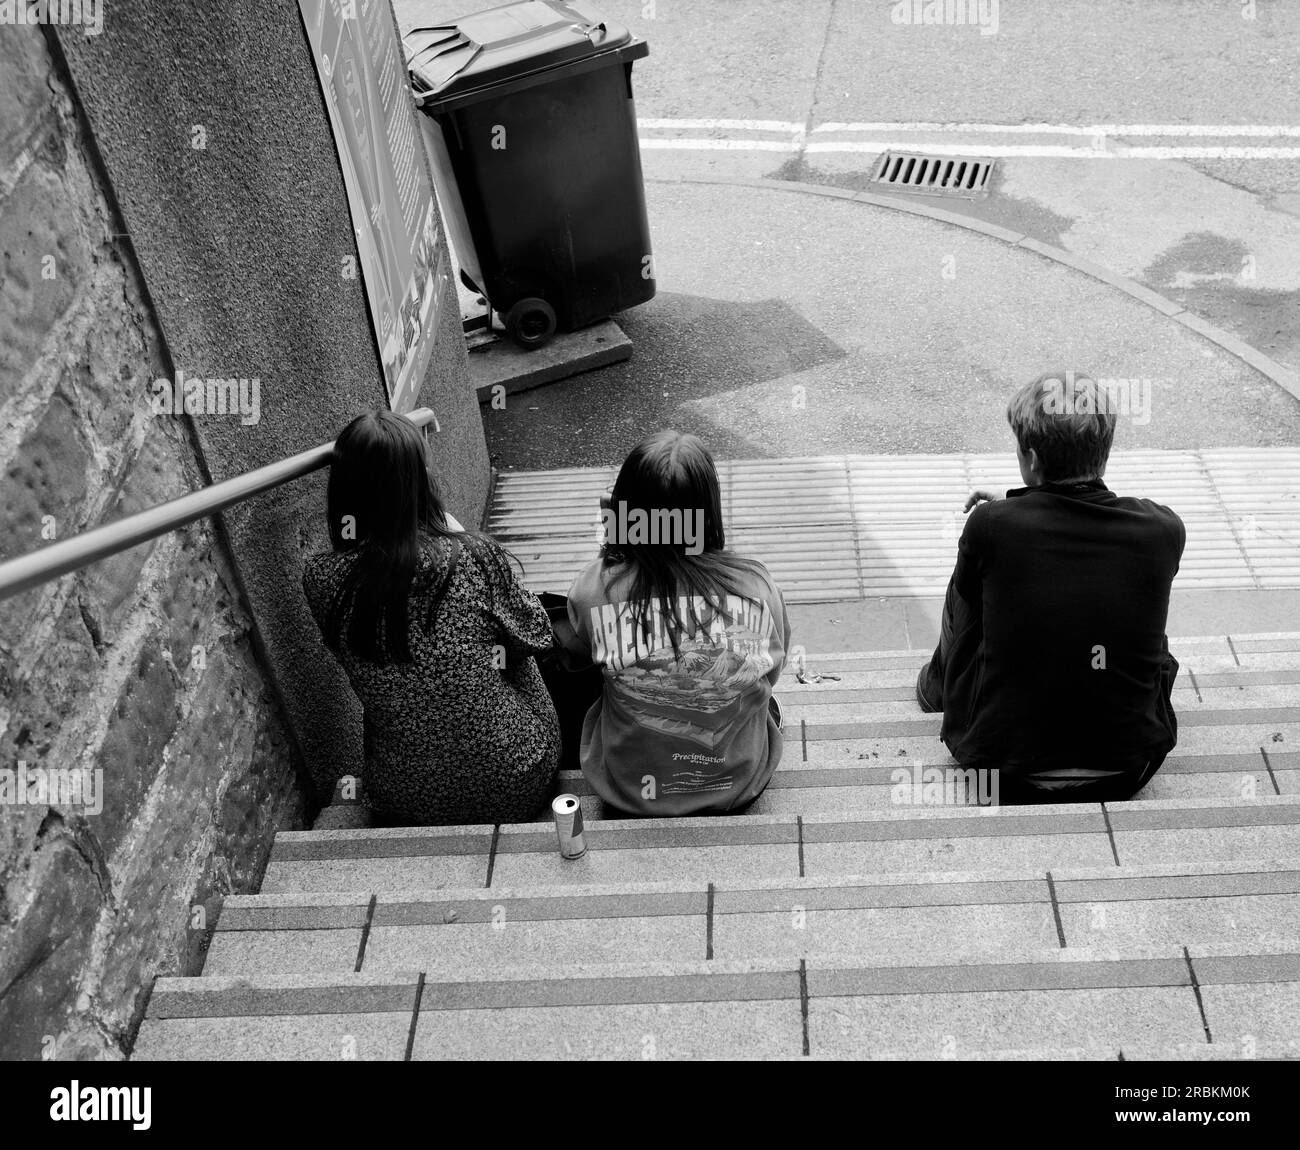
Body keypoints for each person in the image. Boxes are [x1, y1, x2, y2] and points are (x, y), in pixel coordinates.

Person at [916, 371, 1184, 803]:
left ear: (1033, 459)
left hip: (1001, 770)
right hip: (1129, 768)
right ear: (1105, 451)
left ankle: (935, 690)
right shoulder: (1162, 529)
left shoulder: (990, 525)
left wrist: (1002, 516)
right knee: (1130, 604)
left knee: (973, 587)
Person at [303, 411, 559, 825]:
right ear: (421, 482)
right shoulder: (473, 557)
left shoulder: (322, 579)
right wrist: (458, 536)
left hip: (405, 797)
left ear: (344, 491)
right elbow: (538, 634)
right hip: (517, 777)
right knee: (510, 640)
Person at [564, 431, 792, 816]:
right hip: (737, 782)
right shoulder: (756, 585)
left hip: (628, 788)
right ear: (710, 511)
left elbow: (581, 652)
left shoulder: (594, 587)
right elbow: (772, 671)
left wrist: (613, 544)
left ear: (624, 513)